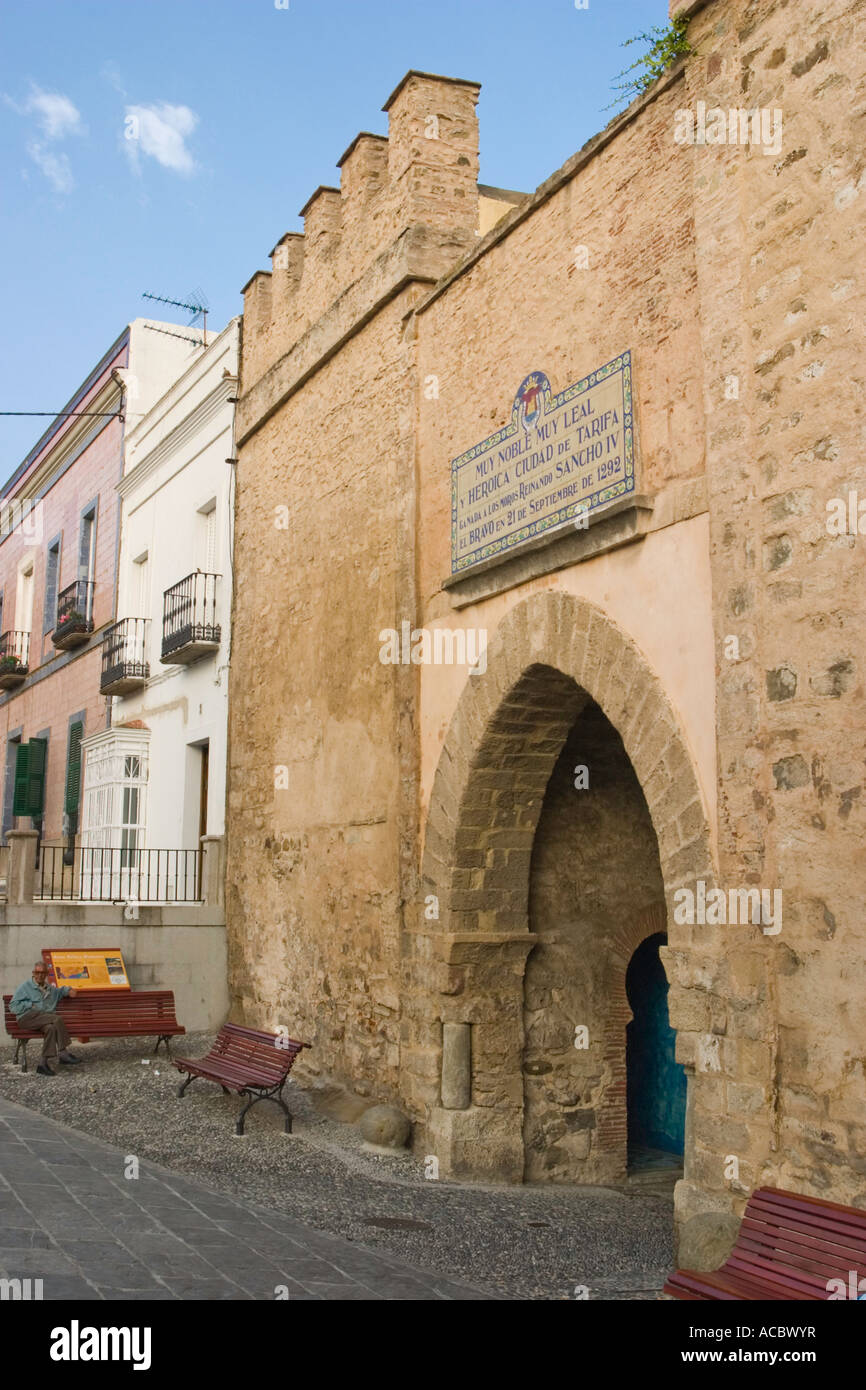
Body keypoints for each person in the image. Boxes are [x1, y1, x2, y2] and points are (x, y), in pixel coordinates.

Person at [10, 962, 83, 1075]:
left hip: (43, 1019)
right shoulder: (25, 987)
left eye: (43, 973)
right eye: (37, 972)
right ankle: (63, 1053)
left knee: (50, 1028)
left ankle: (42, 1064)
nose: (40, 975)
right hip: (27, 1018)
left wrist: (69, 990)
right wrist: (29, 1005)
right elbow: (12, 1006)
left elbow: (60, 991)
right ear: (33, 973)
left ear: (46, 974)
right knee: (57, 1019)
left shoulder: (50, 989)